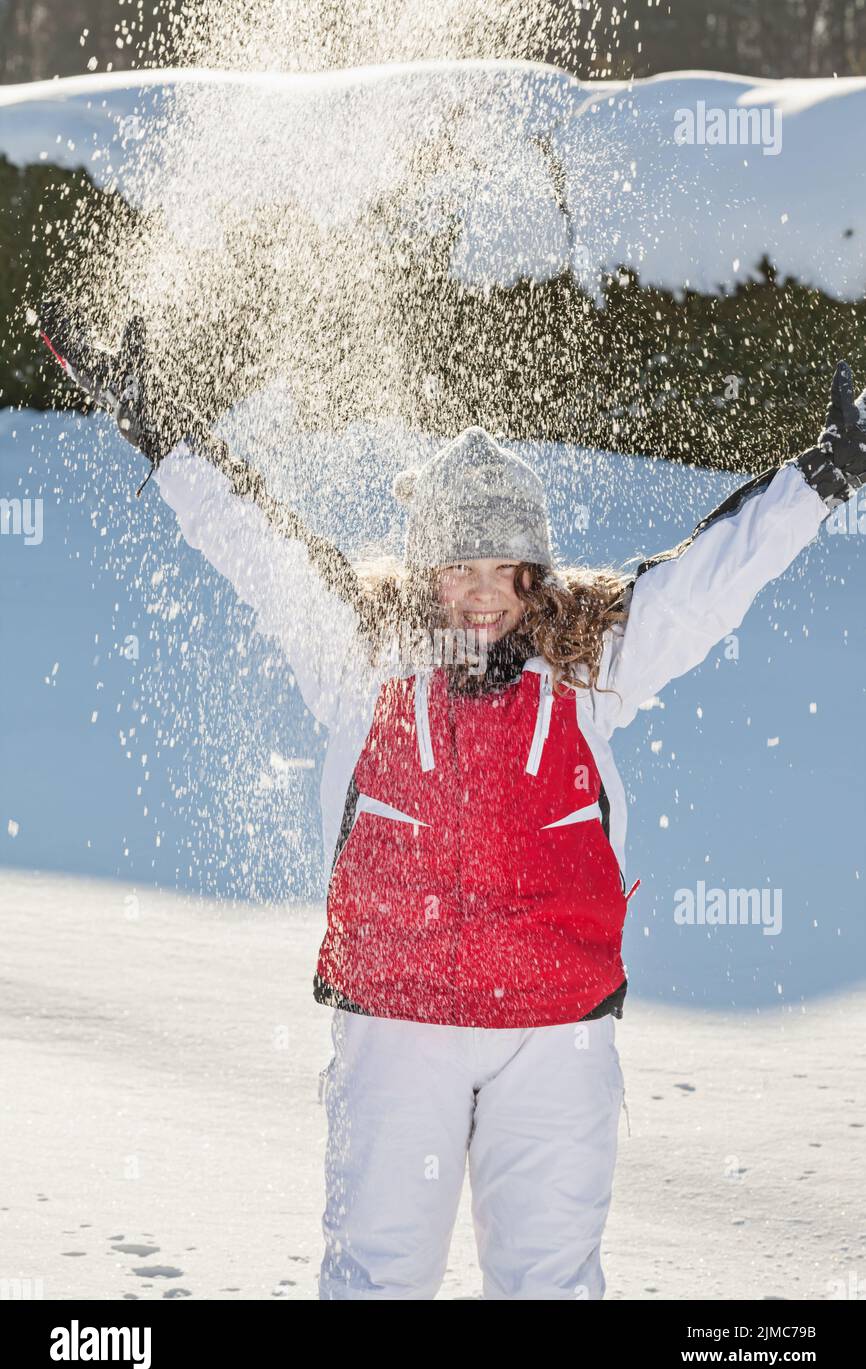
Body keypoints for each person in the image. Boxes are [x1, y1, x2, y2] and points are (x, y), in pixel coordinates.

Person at [40, 306, 866, 1298]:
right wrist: (160, 429)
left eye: (504, 567)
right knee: (380, 1275)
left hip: (555, 1036)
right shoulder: (361, 653)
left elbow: (704, 583)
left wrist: (819, 478)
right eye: (459, 565)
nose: (482, 593)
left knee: (548, 1280)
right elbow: (252, 540)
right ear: (428, 569)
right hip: (396, 1029)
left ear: (535, 570)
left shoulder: (588, 662)